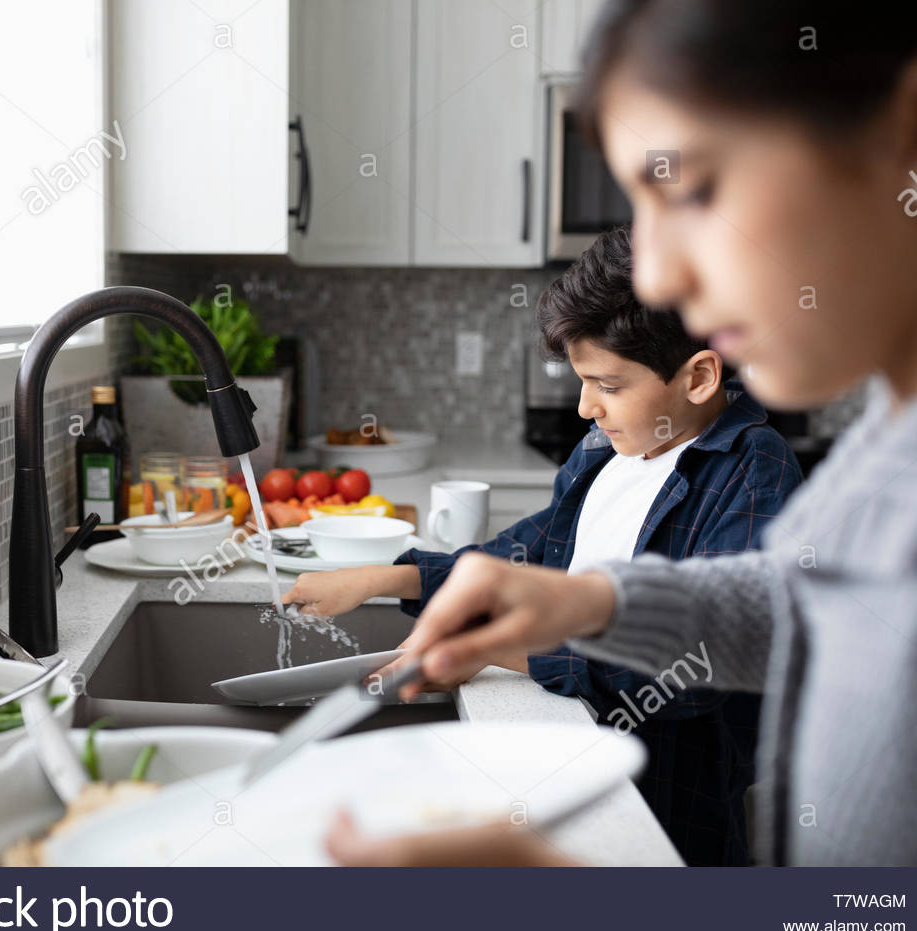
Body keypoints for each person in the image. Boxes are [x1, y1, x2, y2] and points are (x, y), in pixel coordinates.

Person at [326, 0, 917, 867]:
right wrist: (592, 605)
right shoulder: (905, 437)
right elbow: (814, 608)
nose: (658, 271)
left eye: (694, 189)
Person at [283, 225, 801, 865]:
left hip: (674, 797)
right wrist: (383, 578)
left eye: (608, 386)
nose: (586, 407)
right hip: (568, 744)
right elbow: (523, 556)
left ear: (698, 377)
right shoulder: (605, 454)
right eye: (581, 381)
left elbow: (698, 667)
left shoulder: (753, 469)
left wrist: (510, 650)